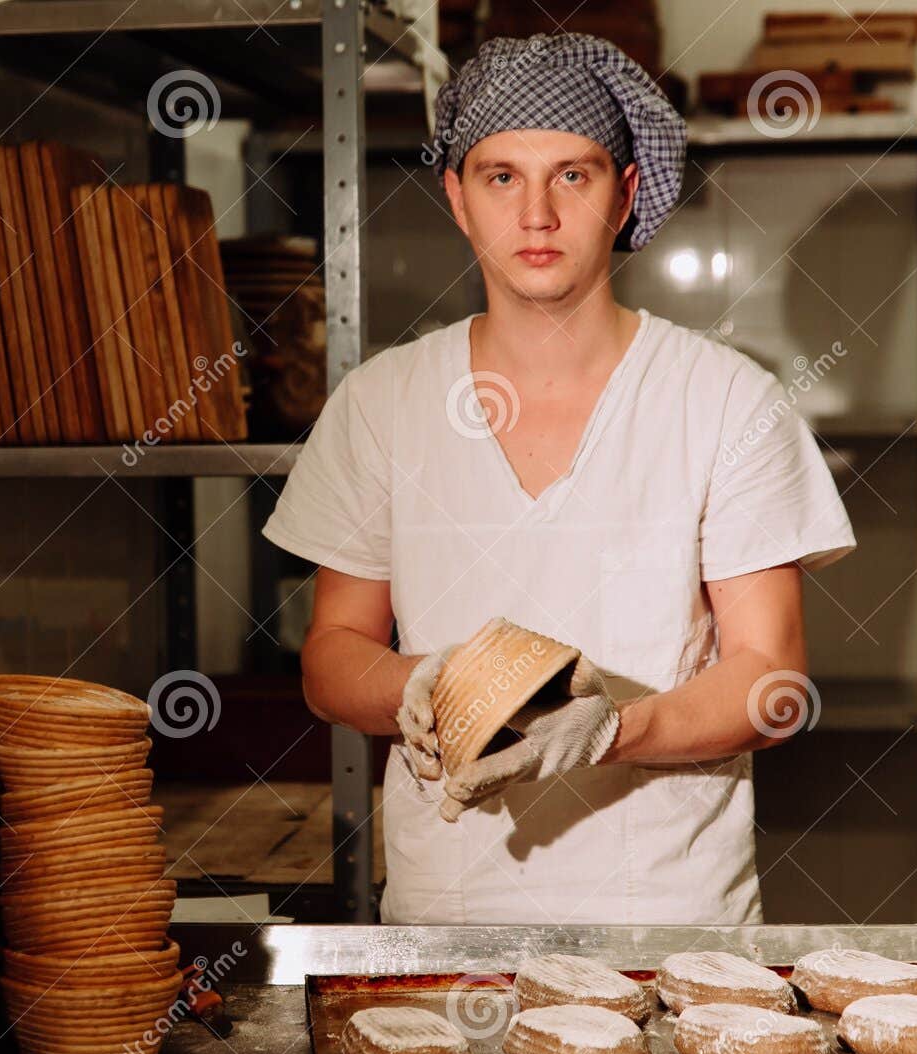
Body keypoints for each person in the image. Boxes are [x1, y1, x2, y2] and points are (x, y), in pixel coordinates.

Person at [261, 33, 856, 925]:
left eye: (572, 175)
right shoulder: (383, 402)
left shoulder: (727, 401)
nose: (535, 213)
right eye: (501, 176)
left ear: (626, 194)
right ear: (457, 198)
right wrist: (424, 688)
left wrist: (613, 728)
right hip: (445, 923)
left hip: (671, 920)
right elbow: (332, 654)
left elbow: (769, 678)